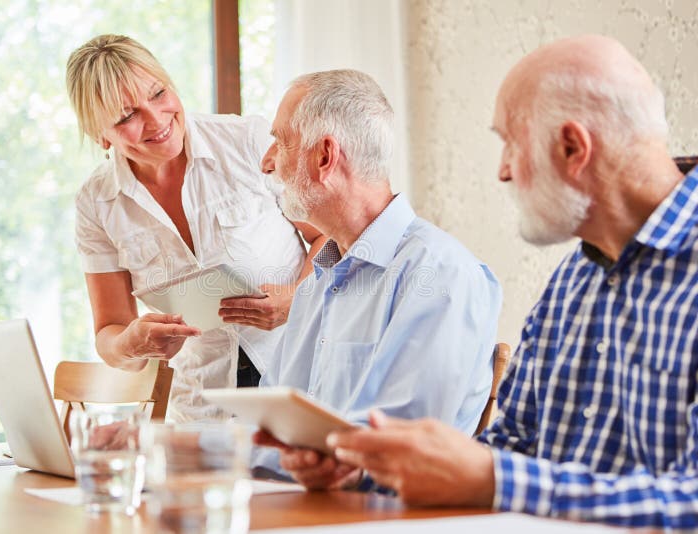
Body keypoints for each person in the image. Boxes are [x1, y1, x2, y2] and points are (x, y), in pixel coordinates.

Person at [314, 36, 698, 529]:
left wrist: (492, 479)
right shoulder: (572, 283)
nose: (503, 171)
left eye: (509, 143)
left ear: (572, 147)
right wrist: (361, 470)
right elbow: (509, 449)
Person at [240, 69, 502, 481]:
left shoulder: (440, 274)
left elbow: (401, 451)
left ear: (324, 157)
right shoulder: (316, 282)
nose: (267, 162)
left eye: (281, 141)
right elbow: (266, 433)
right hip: (296, 508)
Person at [65, 35, 324, 421]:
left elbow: (329, 234)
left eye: (158, 93)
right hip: (202, 410)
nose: (157, 120)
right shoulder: (97, 202)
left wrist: (296, 300)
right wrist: (133, 343)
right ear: (101, 134)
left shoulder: (246, 142)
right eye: (127, 116)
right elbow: (109, 333)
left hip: (300, 381)